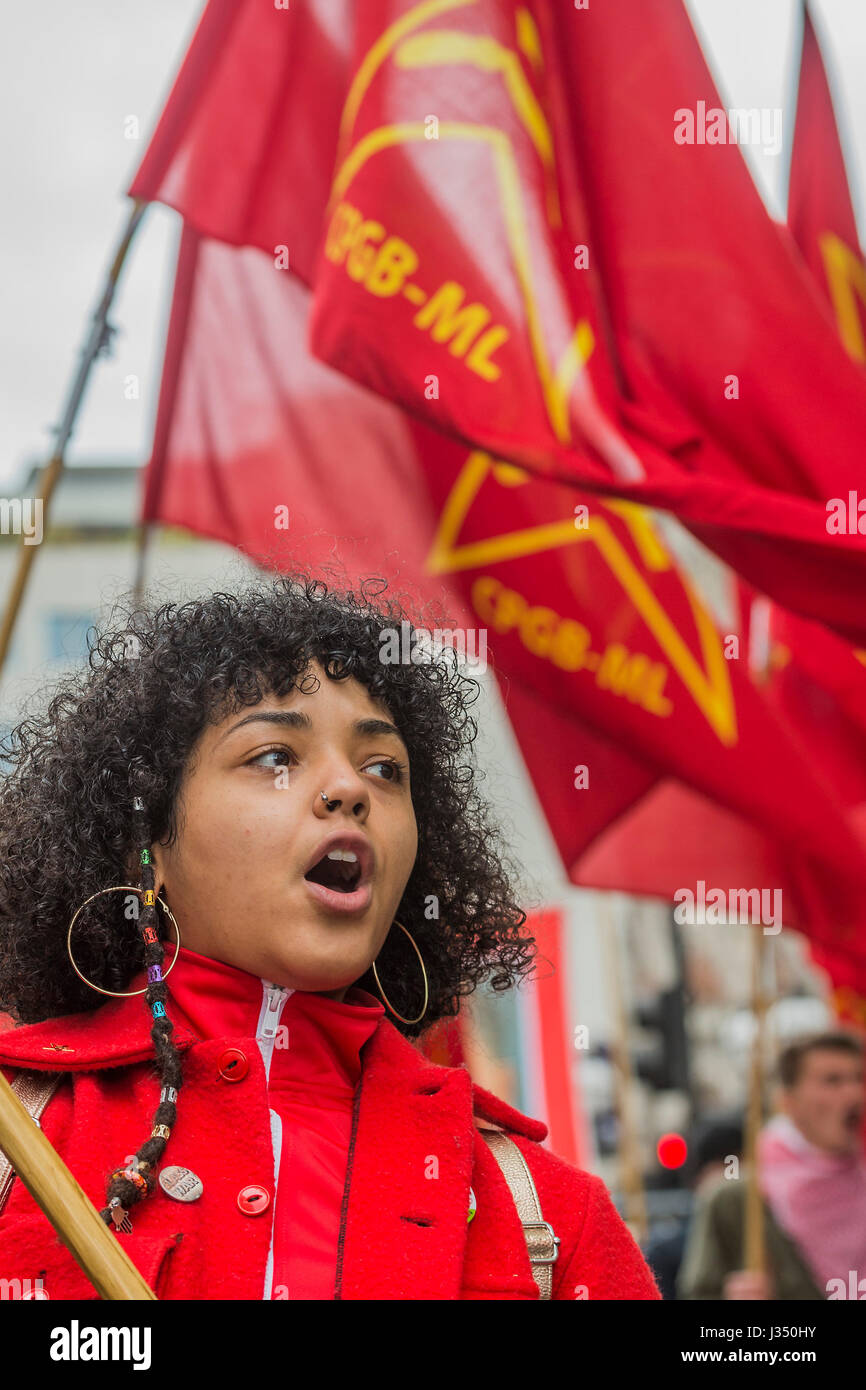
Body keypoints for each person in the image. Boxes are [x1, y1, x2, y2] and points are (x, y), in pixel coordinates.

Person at [0, 573, 659, 1301]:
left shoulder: (549, 1216)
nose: (349, 788)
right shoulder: (15, 1134)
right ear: (145, 844)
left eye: (385, 768)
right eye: (275, 757)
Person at [677, 1031, 866, 1300]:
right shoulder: (737, 1200)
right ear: (788, 1102)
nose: (854, 1094)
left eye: (858, 1078)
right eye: (832, 1081)